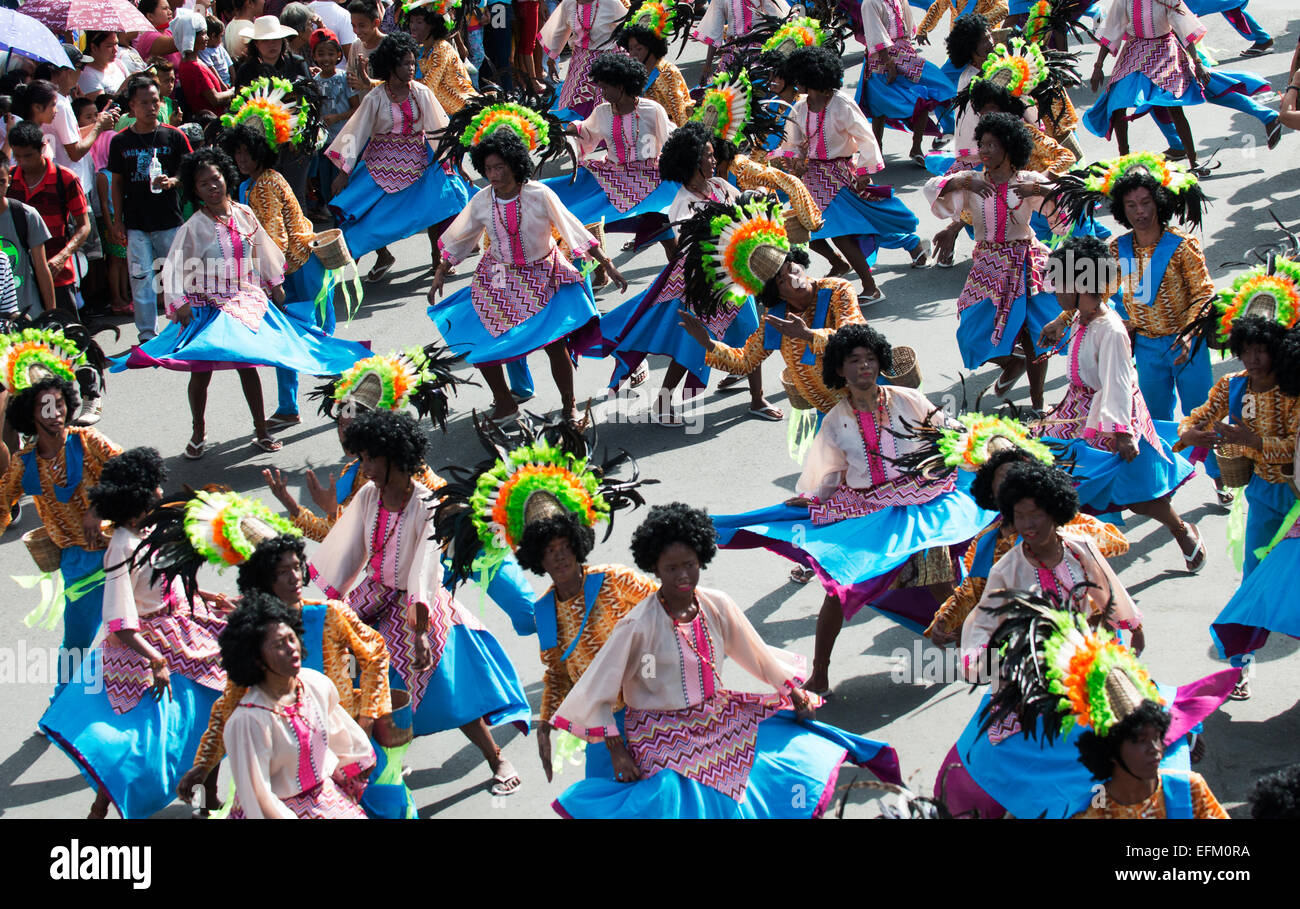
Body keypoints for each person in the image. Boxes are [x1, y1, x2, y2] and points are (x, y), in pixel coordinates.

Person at [550, 502, 902, 818]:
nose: (683, 575)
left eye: (689, 564)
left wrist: (791, 690)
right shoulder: (636, 625)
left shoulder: (717, 604)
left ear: (701, 559)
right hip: (657, 731)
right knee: (680, 792)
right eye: (671, 568)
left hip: (713, 714)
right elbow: (599, 692)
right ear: (654, 568)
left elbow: (754, 652)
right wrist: (617, 752)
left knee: (787, 758)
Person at [714, 323, 994, 693]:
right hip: (869, 512)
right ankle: (820, 674)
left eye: (871, 358)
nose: (864, 366)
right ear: (839, 369)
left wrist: (984, 451)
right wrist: (812, 500)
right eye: (854, 360)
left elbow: (950, 432)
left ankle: (977, 657)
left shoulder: (909, 399)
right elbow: (828, 476)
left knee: (943, 584)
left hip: (919, 506)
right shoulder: (834, 421)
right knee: (838, 590)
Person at [308, 409, 532, 795]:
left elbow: (424, 571)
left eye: (371, 458)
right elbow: (346, 554)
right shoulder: (366, 496)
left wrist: (420, 632)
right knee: (370, 696)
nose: (365, 466)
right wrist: (333, 602)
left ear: (395, 456)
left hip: (421, 607)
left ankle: (496, 758)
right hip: (372, 601)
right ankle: (387, 771)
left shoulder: (427, 503)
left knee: (450, 692)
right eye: (362, 458)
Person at [110, 147, 369, 456]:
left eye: (216, 179)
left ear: (226, 177)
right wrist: (179, 304)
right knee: (200, 372)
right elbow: (174, 266)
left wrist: (274, 283)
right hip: (207, 307)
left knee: (249, 365)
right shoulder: (193, 227)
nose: (212, 186)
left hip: (245, 300)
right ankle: (197, 434)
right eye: (204, 183)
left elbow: (263, 248)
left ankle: (260, 430)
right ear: (195, 190)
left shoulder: (244, 214)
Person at [38, 447, 229, 819]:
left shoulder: (155, 528)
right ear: (137, 494)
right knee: (134, 744)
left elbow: (167, 579)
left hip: (184, 626)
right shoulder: (122, 547)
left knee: (219, 707)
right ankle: (99, 810)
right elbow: (120, 620)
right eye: (154, 485)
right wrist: (155, 660)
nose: (161, 490)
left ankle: (207, 792)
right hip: (146, 645)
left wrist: (205, 595)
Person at [174, 530, 417, 818]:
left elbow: (375, 653)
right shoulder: (254, 641)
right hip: (291, 766)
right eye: (282, 572)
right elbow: (228, 707)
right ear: (264, 580)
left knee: (388, 809)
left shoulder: (331, 615)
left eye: (296, 567)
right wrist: (202, 765)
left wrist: (368, 714)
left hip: (348, 740)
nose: (295, 577)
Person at [953, 586, 1234, 819]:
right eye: (1142, 741)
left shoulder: (1185, 789)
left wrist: (1132, 622)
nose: (1154, 750)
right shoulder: (1088, 811)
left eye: (1156, 739)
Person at [427, 125, 624, 424]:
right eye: (488, 168)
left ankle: (568, 405)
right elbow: (460, 239)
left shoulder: (539, 194)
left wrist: (606, 263)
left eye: (500, 167)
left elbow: (572, 228)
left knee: (554, 344)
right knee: (479, 343)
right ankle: (506, 402)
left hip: (544, 272)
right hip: (498, 275)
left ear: (515, 164)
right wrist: (441, 271)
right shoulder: (481, 200)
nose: (493, 174)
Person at [1037, 236, 1202, 567]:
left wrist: (1121, 433)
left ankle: (1182, 531)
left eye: (1059, 284)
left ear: (1082, 284)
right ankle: (1070, 556)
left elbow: (1117, 382)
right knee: (1063, 483)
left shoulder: (1109, 329)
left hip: (1114, 416)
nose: (1054, 291)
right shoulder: (1085, 315)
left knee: (1139, 496)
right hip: (1081, 410)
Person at [598, 125, 775, 424]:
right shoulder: (682, 203)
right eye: (707, 155)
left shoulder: (719, 184)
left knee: (751, 335)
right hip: (704, 284)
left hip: (736, 276)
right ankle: (664, 403)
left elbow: (742, 203)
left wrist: (758, 198)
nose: (713, 158)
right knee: (691, 344)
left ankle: (757, 398)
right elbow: (689, 246)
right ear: (693, 161)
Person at [1179, 314, 1299, 694]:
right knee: (1253, 581)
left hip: (1295, 498)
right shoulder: (1232, 387)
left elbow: (1297, 449)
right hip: (1264, 494)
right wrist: (1189, 432)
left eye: (1261, 350)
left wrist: (1256, 442)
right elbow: (1195, 419)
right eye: (1246, 350)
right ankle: (1240, 667)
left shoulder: (1293, 390)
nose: (1253, 359)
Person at [922, 426, 1129, 646]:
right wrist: (944, 620)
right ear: (990, 490)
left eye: (1018, 474)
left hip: (1089, 632)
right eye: (1003, 479)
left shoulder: (1059, 521)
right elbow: (971, 591)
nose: (1013, 485)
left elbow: (1117, 543)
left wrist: (1061, 537)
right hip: (1030, 643)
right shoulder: (986, 543)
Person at [0, 370, 123, 699]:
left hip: (123, 552)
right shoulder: (24, 464)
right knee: (77, 643)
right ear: (29, 414)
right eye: (45, 407)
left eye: (59, 404)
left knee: (153, 628)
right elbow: (2, 503)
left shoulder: (88, 441)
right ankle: (61, 707)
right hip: (78, 564)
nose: (55, 414)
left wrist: (98, 509)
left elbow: (133, 471)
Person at [221, 84, 338, 428]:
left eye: (247, 153)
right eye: (237, 153)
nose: (241, 159)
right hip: (289, 270)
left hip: (296, 271)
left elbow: (275, 240)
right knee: (292, 339)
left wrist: (270, 283)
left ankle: (341, 390)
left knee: (300, 339)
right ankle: (293, 404)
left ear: (261, 151)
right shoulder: (249, 184)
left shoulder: (265, 184)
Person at [925, 112, 1059, 409]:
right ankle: (1012, 364)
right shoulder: (972, 180)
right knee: (971, 331)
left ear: (1010, 148)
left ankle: (1038, 405)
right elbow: (931, 188)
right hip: (988, 263)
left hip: (1026, 260)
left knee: (1035, 334)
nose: (983, 151)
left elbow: (1064, 200)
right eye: (981, 145)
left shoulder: (1028, 180)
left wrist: (1036, 190)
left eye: (991, 146)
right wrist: (961, 181)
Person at [776, 46, 929, 303]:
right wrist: (796, 163)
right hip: (812, 179)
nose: (795, 83)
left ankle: (871, 287)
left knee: (845, 233)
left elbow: (865, 137)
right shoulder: (799, 108)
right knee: (802, 230)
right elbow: (792, 144)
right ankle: (842, 262)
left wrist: (865, 171)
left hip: (839, 175)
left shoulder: (841, 104)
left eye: (799, 77)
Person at [960, 459, 1145, 668]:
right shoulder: (1005, 569)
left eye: (1035, 515)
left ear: (1055, 512)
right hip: (1035, 666)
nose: (1027, 525)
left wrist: (1135, 629)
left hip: (1087, 656)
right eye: (1019, 516)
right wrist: (977, 656)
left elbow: (1108, 592)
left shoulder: (1080, 547)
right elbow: (984, 619)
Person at [327, 31, 470, 279]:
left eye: (414, 62)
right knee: (362, 213)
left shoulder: (421, 92)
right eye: (406, 63)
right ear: (391, 66)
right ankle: (381, 255)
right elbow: (356, 132)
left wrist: (451, 161)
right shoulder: (375, 98)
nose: (412, 67)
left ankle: (438, 258)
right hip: (379, 162)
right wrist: (343, 172)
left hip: (419, 157)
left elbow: (438, 127)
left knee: (440, 202)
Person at [218, 591, 374, 818]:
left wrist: (356, 764)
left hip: (325, 799)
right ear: (256, 660)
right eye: (279, 645)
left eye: (291, 638)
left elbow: (340, 732)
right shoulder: (248, 721)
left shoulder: (314, 684)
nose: (291, 648)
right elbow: (258, 794)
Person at [546, 53, 677, 266]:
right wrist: (567, 132)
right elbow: (586, 132)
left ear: (622, 86)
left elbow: (670, 140)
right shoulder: (602, 112)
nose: (602, 93)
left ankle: (680, 275)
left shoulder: (652, 110)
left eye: (606, 88)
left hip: (651, 180)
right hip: (615, 176)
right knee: (587, 220)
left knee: (662, 229)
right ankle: (598, 272)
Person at [107, 74, 194, 343]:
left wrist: (174, 181)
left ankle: (184, 328)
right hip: (136, 223)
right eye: (144, 102)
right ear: (132, 106)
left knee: (176, 276)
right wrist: (117, 219)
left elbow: (189, 170)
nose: (151, 107)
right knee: (141, 277)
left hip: (169, 219)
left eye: (155, 101)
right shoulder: (120, 142)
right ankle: (147, 335)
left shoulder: (174, 136)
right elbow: (117, 182)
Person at [1085, 0, 1211, 175]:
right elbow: (1112, 28)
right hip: (1135, 49)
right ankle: (1124, 161)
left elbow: (1184, 27)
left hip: (1164, 50)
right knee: (1117, 103)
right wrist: (1098, 65)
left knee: (1174, 106)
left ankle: (1194, 161)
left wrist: (1197, 62)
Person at [6, 122, 91, 321]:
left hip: (57, 271)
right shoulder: (8, 180)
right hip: (20, 275)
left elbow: (84, 225)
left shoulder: (65, 178)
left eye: (27, 156)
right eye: (17, 156)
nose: (22, 162)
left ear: (42, 148)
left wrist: (62, 257)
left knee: (65, 336)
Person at [855, 0, 956, 165]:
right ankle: (877, 150)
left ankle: (916, 148)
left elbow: (909, 28)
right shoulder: (870, 3)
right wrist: (888, 62)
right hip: (881, 60)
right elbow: (875, 34)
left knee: (924, 99)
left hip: (906, 55)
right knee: (879, 107)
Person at [539, 0, 630, 120]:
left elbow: (628, 26)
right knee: (574, 103)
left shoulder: (610, 2)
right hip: (579, 62)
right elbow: (559, 31)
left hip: (608, 63)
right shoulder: (569, 3)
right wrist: (551, 62)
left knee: (606, 106)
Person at [616, 0, 693, 126]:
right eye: (630, 49)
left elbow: (679, 115)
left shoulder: (668, 72)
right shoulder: (633, 73)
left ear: (651, 48)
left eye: (638, 48)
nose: (633, 54)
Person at [309, 28, 357, 208]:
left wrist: (337, 117)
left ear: (338, 54)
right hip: (324, 142)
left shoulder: (345, 77)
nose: (326, 59)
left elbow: (356, 108)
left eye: (330, 54)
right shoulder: (314, 81)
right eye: (321, 54)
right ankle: (335, 222)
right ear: (314, 55)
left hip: (345, 140)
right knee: (328, 186)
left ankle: (345, 223)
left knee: (344, 183)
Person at [0, 165, 55, 319]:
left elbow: (41, 267)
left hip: (29, 314)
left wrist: (51, 315)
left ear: (9, 180)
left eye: (1, 182)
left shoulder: (25, 215)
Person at [405, 0, 476, 115]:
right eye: (411, 22)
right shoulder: (422, 49)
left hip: (465, 114)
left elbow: (427, 88)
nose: (413, 27)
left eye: (419, 22)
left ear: (432, 25)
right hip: (443, 115)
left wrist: (393, 85)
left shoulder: (441, 49)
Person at [696, 0, 790, 84]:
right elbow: (714, 29)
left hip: (760, 54)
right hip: (735, 56)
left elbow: (780, 22)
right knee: (729, 96)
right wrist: (707, 67)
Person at [176, 10, 236, 116]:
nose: (207, 38)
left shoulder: (188, 62)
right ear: (192, 37)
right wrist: (232, 91)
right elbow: (215, 99)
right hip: (213, 120)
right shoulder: (195, 67)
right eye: (203, 34)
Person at [78, 33, 131, 100]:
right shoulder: (87, 75)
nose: (115, 50)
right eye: (109, 46)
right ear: (94, 47)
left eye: (116, 44)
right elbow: (102, 105)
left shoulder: (119, 64)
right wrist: (127, 83)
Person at [136, 0, 183, 68]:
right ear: (150, 16)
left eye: (169, 8)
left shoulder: (168, 33)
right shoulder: (149, 37)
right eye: (164, 8)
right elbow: (183, 41)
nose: (170, 12)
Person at [201, 17, 238, 86]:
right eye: (221, 36)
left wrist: (234, 81)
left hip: (228, 82)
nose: (221, 39)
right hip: (218, 85)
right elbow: (212, 69)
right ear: (213, 36)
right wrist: (222, 85)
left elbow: (230, 64)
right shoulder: (204, 51)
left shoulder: (220, 48)